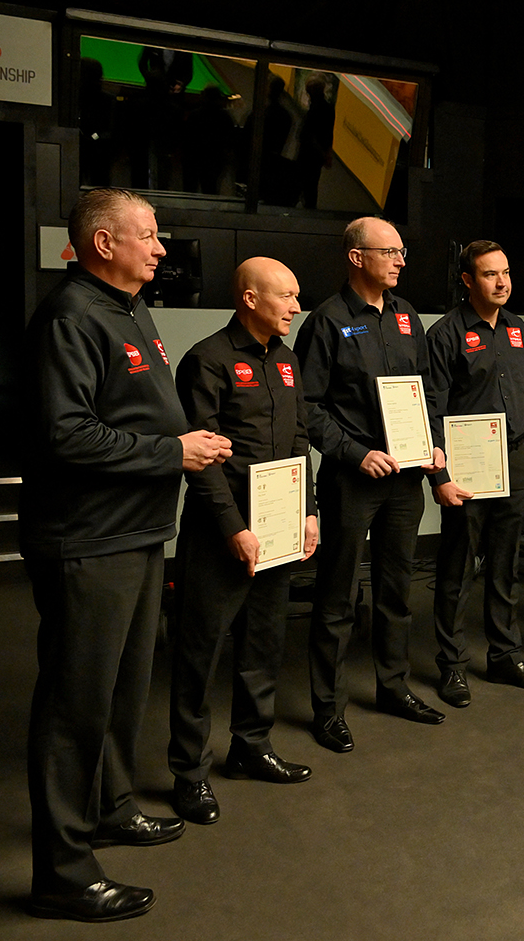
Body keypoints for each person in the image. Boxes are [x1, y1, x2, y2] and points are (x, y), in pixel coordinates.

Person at [20, 188, 232, 922]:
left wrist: (173, 450)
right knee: (75, 705)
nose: (161, 247)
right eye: (147, 235)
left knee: (120, 692)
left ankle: (110, 806)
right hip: (89, 540)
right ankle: (63, 872)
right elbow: (66, 435)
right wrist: (172, 451)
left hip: (139, 534)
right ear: (103, 244)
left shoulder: (130, 310)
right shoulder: (71, 317)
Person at [167, 257, 320, 827]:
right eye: (286, 296)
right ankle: (189, 773)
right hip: (220, 532)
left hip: (280, 525)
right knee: (198, 651)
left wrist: (308, 511)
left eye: (297, 295)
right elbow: (199, 459)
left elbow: (300, 439)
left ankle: (252, 747)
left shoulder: (286, 361)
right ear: (251, 299)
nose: (296, 306)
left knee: (264, 642)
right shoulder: (208, 360)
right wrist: (233, 527)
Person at [296, 216, 445, 752]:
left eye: (403, 252)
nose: (402, 261)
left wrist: (433, 442)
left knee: (397, 590)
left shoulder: (407, 317)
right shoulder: (327, 322)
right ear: (357, 257)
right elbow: (307, 408)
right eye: (391, 252)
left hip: (405, 479)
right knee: (338, 595)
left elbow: (426, 392)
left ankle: (393, 686)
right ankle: (328, 708)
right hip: (353, 478)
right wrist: (357, 454)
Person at [426, 241, 524, 706]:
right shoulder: (445, 334)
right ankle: (453, 666)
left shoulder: (519, 330)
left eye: (505, 273)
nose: (501, 282)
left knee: (506, 568)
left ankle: (504, 655)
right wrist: (439, 475)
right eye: (489, 275)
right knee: (458, 569)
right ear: (468, 281)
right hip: (468, 468)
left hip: (516, 462)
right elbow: (434, 408)